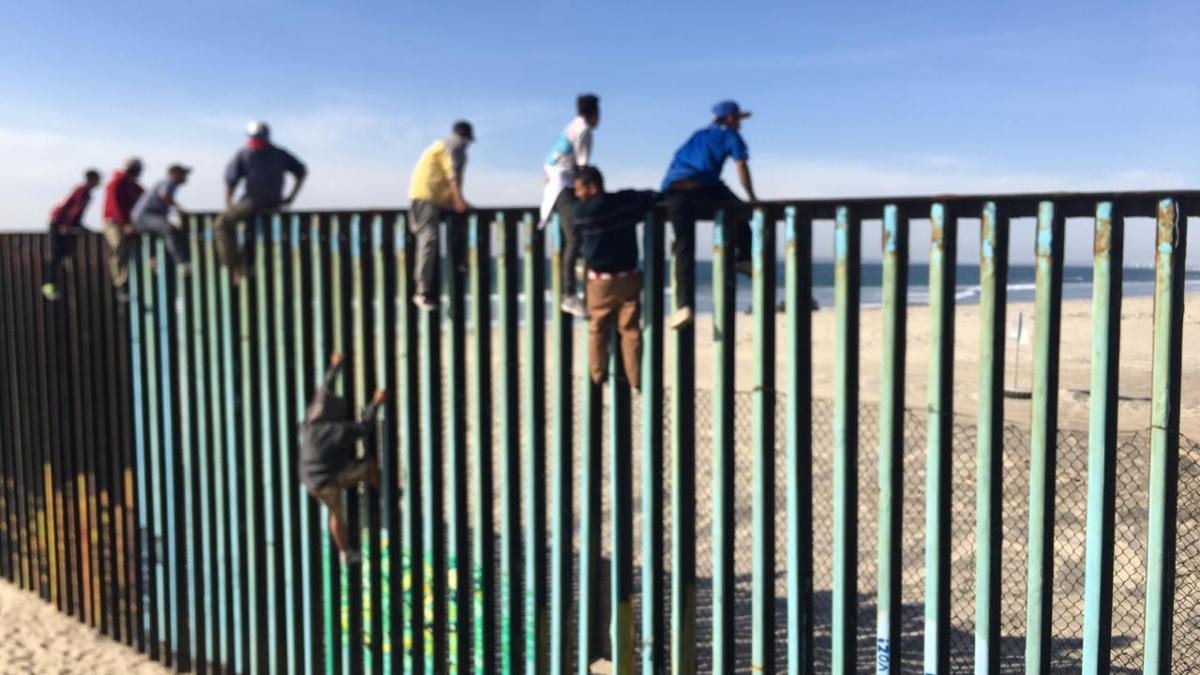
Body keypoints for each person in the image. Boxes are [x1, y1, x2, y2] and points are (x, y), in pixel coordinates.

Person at [661, 100, 757, 329]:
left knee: (684, 247)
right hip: (701, 187)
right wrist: (752, 197)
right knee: (741, 211)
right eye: (738, 119)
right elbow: (741, 167)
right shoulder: (731, 135)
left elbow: (677, 161)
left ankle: (684, 306)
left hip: (673, 191)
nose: (740, 124)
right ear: (731, 118)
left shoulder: (698, 135)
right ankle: (744, 258)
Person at [299, 352, 388, 565]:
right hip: (328, 480)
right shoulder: (335, 431)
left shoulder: (309, 424)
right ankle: (384, 497)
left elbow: (324, 390)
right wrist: (376, 403)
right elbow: (364, 427)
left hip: (310, 481)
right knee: (367, 465)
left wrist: (334, 367)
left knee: (335, 512)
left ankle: (345, 552)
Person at [572, 166, 655, 390]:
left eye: (579, 189)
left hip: (600, 281)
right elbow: (648, 197)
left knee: (597, 328)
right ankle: (635, 378)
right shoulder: (624, 202)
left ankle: (598, 374)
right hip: (629, 277)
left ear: (592, 187)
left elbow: (573, 216)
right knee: (630, 330)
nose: (577, 194)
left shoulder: (581, 211)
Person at [214, 121, 307, 283]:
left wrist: (228, 205)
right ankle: (248, 268)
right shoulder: (280, 153)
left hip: (251, 202)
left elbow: (230, 181)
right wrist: (290, 197)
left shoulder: (244, 153)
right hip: (275, 202)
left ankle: (234, 266)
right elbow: (301, 171)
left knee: (222, 224)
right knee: (250, 231)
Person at [540, 93, 600, 317]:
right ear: (594, 113)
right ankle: (569, 294)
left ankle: (578, 264)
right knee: (574, 237)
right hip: (563, 187)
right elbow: (583, 168)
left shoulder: (571, 126)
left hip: (555, 185)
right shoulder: (584, 130)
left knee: (574, 234)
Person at [408, 120, 473, 310]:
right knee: (428, 238)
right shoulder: (456, 144)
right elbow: (452, 175)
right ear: (467, 137)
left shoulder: (442, 144)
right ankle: (422, 291)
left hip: (431, 198)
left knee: (443, 230)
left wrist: (458, 202)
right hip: (427, 198)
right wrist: (459, 201)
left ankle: (460, 262)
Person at [42, 169, 101, 301]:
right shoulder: (83, 191)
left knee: (63, 253)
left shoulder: (84, 191)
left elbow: (76, 212)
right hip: (59, 223)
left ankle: (57, 286)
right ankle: (48, 285)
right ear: (91, 179)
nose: (99, 182)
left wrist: (78, 226)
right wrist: (66, 226)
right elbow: (73, 210)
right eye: (97, 179)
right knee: (56, 253)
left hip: (62, 222)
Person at [131, 164, 193, 272]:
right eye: (183, 174)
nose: (186, 177)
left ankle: (157, 261)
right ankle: (182, 263)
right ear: (176, 174)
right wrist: (179, 209)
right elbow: (164, 195)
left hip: (146, 217)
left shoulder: (167, 183)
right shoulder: (169, 182)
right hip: (144, 218)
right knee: (167, 229)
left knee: (175, 231)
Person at [102, 158, 145, 300]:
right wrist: (125, 224)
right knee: (119, 246)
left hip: (130, 222)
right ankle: (120, 284)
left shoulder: (133, 184)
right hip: (114, 222)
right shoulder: (117, 183)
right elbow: (115, 206)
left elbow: (145, 198)